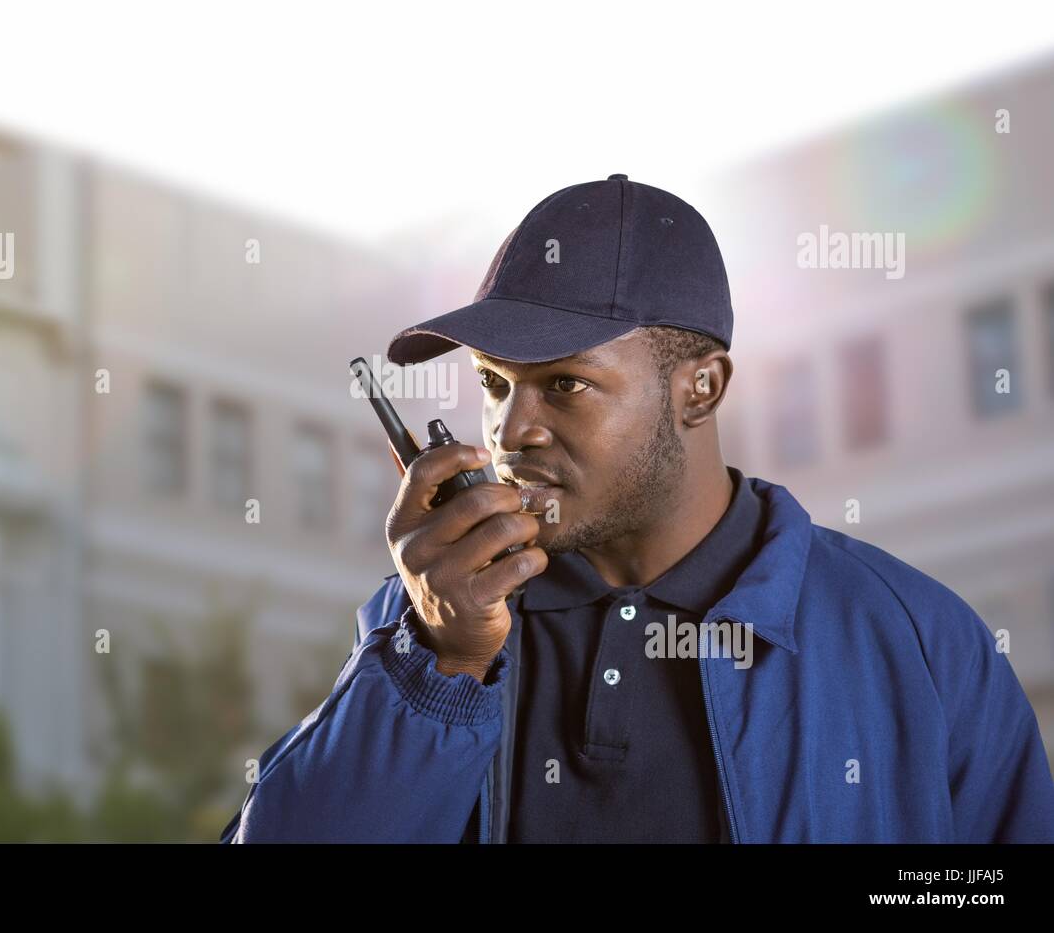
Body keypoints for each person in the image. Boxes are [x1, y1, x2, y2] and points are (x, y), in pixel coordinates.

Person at [220, 174, 1054, 843]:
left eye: (565, 384)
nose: (512, 430)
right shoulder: (430, 618)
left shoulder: (912, 637)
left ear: (701, 389)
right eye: (493, 384)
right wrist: (437, 665)